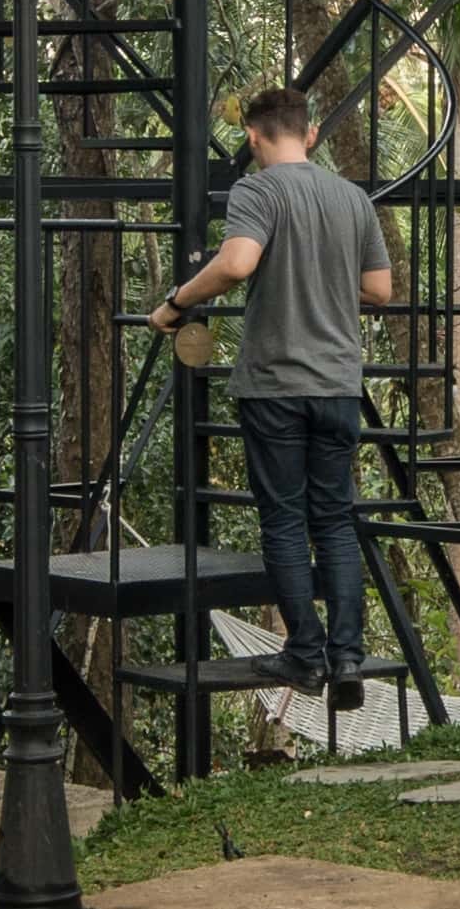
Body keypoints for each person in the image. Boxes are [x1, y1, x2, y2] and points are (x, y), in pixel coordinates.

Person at [156, 81, 396, 724]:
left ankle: (305, 654)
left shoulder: (257, 190)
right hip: (339, 384)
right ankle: (347, 658)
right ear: (310, 133)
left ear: (255, 136)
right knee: (336, 520)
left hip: (275, 386)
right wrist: (323, 280)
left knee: (286, 521)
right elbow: (380, 288)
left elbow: (236, 263)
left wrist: (178, 301)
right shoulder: (352, 198)